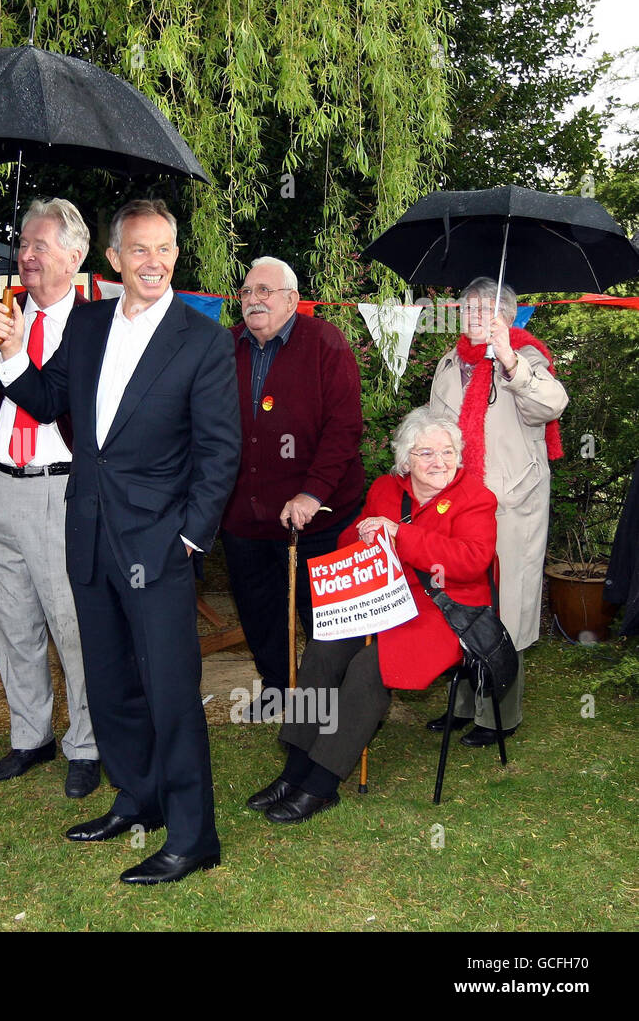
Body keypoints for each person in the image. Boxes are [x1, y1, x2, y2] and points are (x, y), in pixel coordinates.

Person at [0, 199, 240, 885]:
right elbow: (46, 400)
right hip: (89, 533)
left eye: (164, 249)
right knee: (108, 682)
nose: (153, 261)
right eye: (139, 249)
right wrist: (12, 349)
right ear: (114, 259)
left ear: (175, 257)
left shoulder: (203, 339)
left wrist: (190, 536)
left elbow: (221, 453)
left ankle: (195, 836)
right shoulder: (91, 321)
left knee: (170, 693)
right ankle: (138, 798)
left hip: (159, 545)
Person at [247, 408, 498, 824]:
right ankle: (294, 769)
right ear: (406, 459)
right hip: (383, 600)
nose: (440, 462)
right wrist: (363, 532)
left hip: (444, 610)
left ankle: (321, 784)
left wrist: (402, 534)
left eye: (448, 452)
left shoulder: (476, 498)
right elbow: (352, 541)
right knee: (323, 650)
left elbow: (472, 561)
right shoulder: (386, 489)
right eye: (427, 453)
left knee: (370, 668)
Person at [0, 197, 100, 798]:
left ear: (75, 255)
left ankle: (88, 744)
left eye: (40, 246)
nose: (26, 255)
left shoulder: (97, 324)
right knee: (12, 624)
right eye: (22, 244)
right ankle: (30, 736)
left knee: (71, 624)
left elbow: (53, 402)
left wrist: (15, 350)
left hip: (58, 489)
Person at [427, 277, 567, 747]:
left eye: (486, 310)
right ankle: (463, 706)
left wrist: (508, 359)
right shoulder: (450, 363)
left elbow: (551, 404)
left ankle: (501, 716)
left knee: (504, 606)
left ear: (507, 316)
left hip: (510, 504)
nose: (474, 317)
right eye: (467, 309)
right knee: (459, 602)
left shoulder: (527, 357)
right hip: (458, 503)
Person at [222, 257, 365, 711]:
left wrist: (313, 492)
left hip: (319, 515)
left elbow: (344, 427)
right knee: (259, 608)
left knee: (321, 610)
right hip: (244, 515)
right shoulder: (224, 347)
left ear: (291, 299)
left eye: (265, 290)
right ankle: (277, 688)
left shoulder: (324, 341)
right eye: (247, 292)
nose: (254, 299)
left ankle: (326, 698)